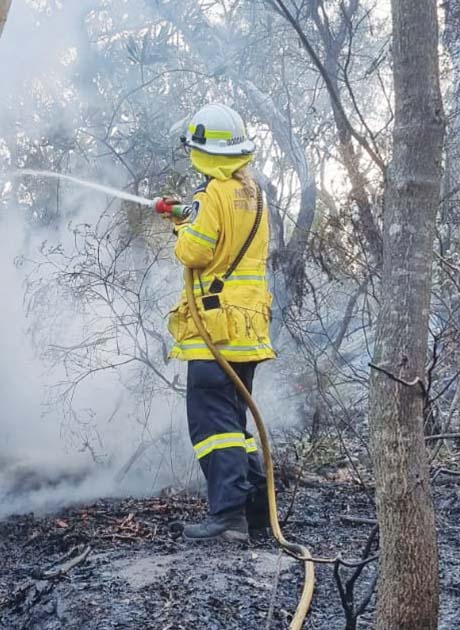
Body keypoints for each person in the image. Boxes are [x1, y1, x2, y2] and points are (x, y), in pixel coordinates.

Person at [162, 103, 275, 542]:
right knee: (235, 423)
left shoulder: (211, 196)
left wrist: (180, 227)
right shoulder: (254, 193)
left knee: (213, 426)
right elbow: (226, 240)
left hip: (215, 330)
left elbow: (195, 252)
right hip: (248, 330)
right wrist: (186, 216)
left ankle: (227, 517)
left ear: (203, 152)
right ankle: (257, 512)